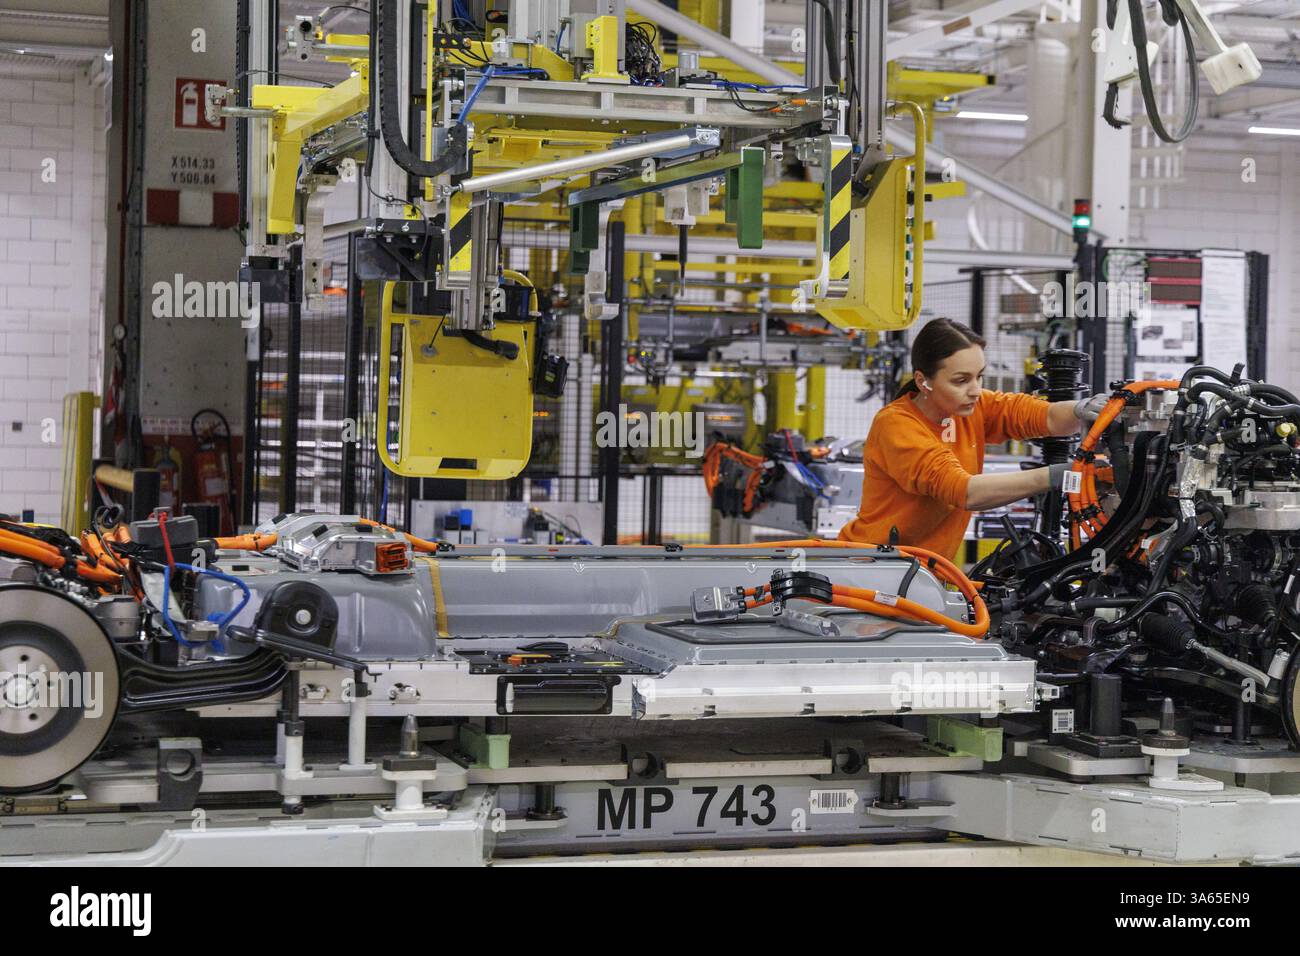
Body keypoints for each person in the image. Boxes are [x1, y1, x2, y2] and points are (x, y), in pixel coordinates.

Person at [838, 318, 1107, 559]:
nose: (976, 390)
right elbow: (966, 492)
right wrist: (1059, 474)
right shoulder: (897, 425)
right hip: (874, 566)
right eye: (960, 380)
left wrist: (1080, 409)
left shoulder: (972, 408)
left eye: (979, 377)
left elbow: (1046, 418)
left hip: (925, 572)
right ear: (923, 381)